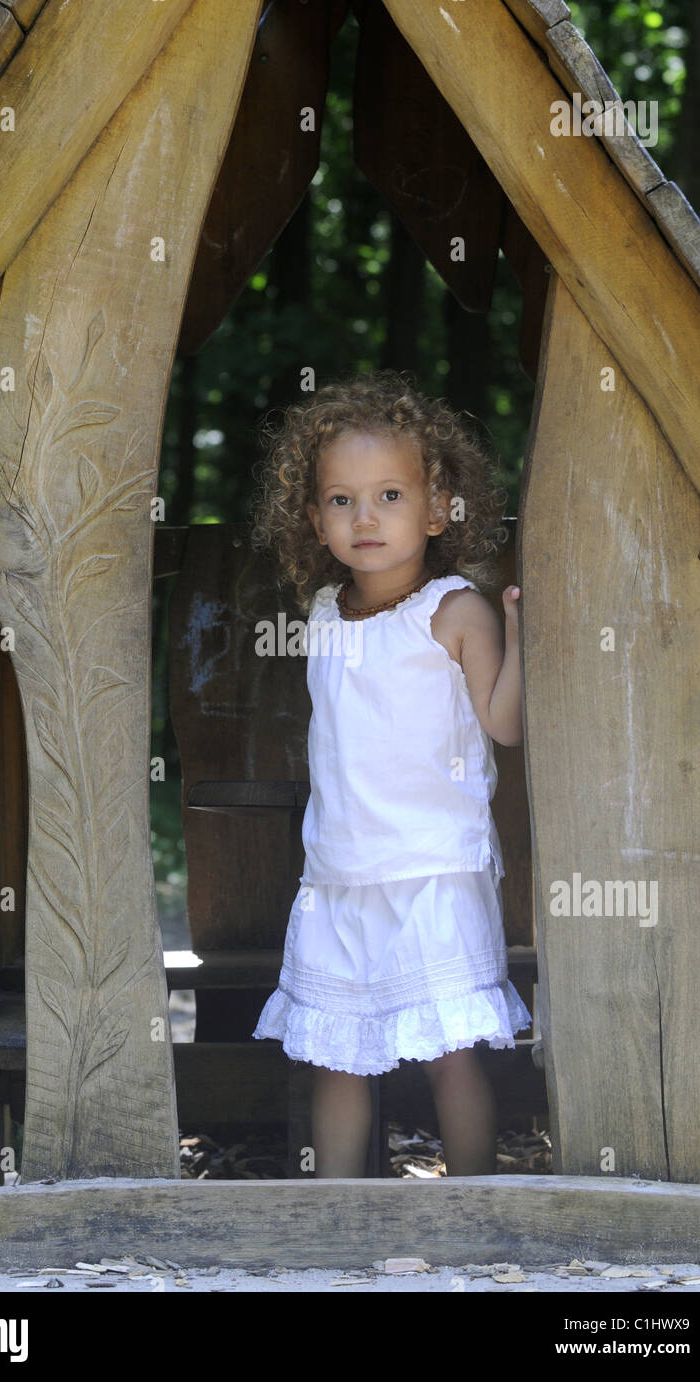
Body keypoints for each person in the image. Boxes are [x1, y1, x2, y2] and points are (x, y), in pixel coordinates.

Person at [248, 369, 530, 1179]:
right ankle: (338, 1220)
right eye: (340, 500)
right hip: (339, 871)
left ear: (439, 508)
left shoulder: (454, 611)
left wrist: (516, 630)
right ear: (312, 517)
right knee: (338, 1056)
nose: (363, 518)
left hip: (432, 869)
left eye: (390, 497)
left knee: (448, 1055)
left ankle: (473, 1210)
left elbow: (503, 727)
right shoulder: (326, 611)